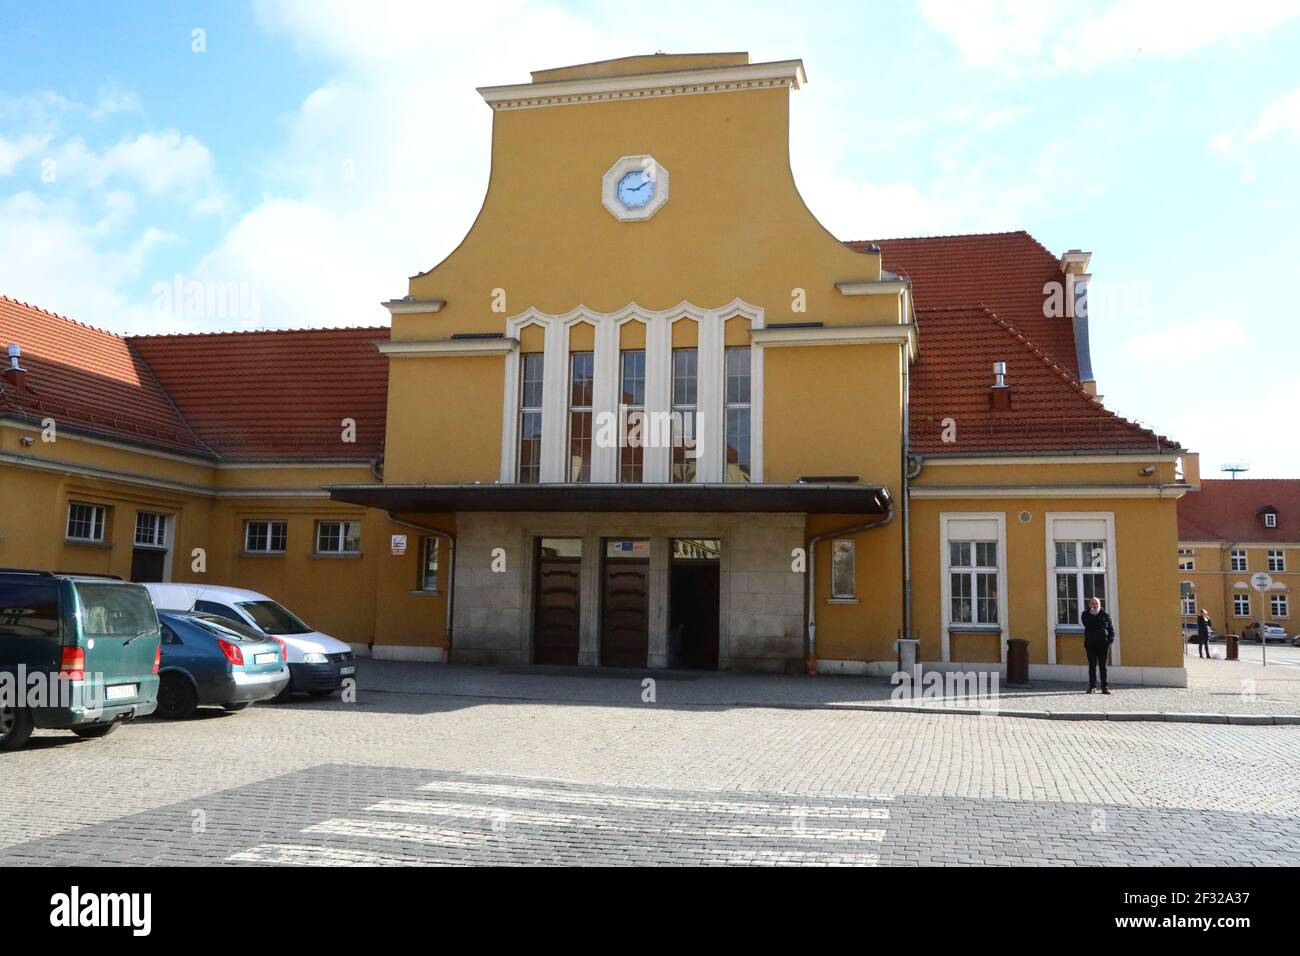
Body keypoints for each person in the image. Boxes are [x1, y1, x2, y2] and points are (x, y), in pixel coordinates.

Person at [1080, 596, 1115, 694]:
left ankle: (1104, 687)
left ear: (1100, 604)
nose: (1095, 606)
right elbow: (1088, 625)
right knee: (1092, 666)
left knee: (1103, 666)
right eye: (1093, 603)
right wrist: (1093, 615)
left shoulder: (1105, 614)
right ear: (1089, 604)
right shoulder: (1085, 614)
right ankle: (1092, 687)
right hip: (1090, 644)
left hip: (1103, 644)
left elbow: (1111, 628)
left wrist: (1111, 639)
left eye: (1097, 604)